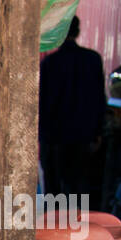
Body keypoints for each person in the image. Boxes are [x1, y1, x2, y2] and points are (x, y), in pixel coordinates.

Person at [38, 16, 106, 200]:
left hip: (54, 139)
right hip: (83, 138)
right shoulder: (93, 60)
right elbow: (100, 100)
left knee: (54, 194)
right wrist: (97, 131)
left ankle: (53, 228)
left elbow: (41, 106)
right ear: (77, 31)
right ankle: (79, 228)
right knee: (79, 192)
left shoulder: (49, 64)